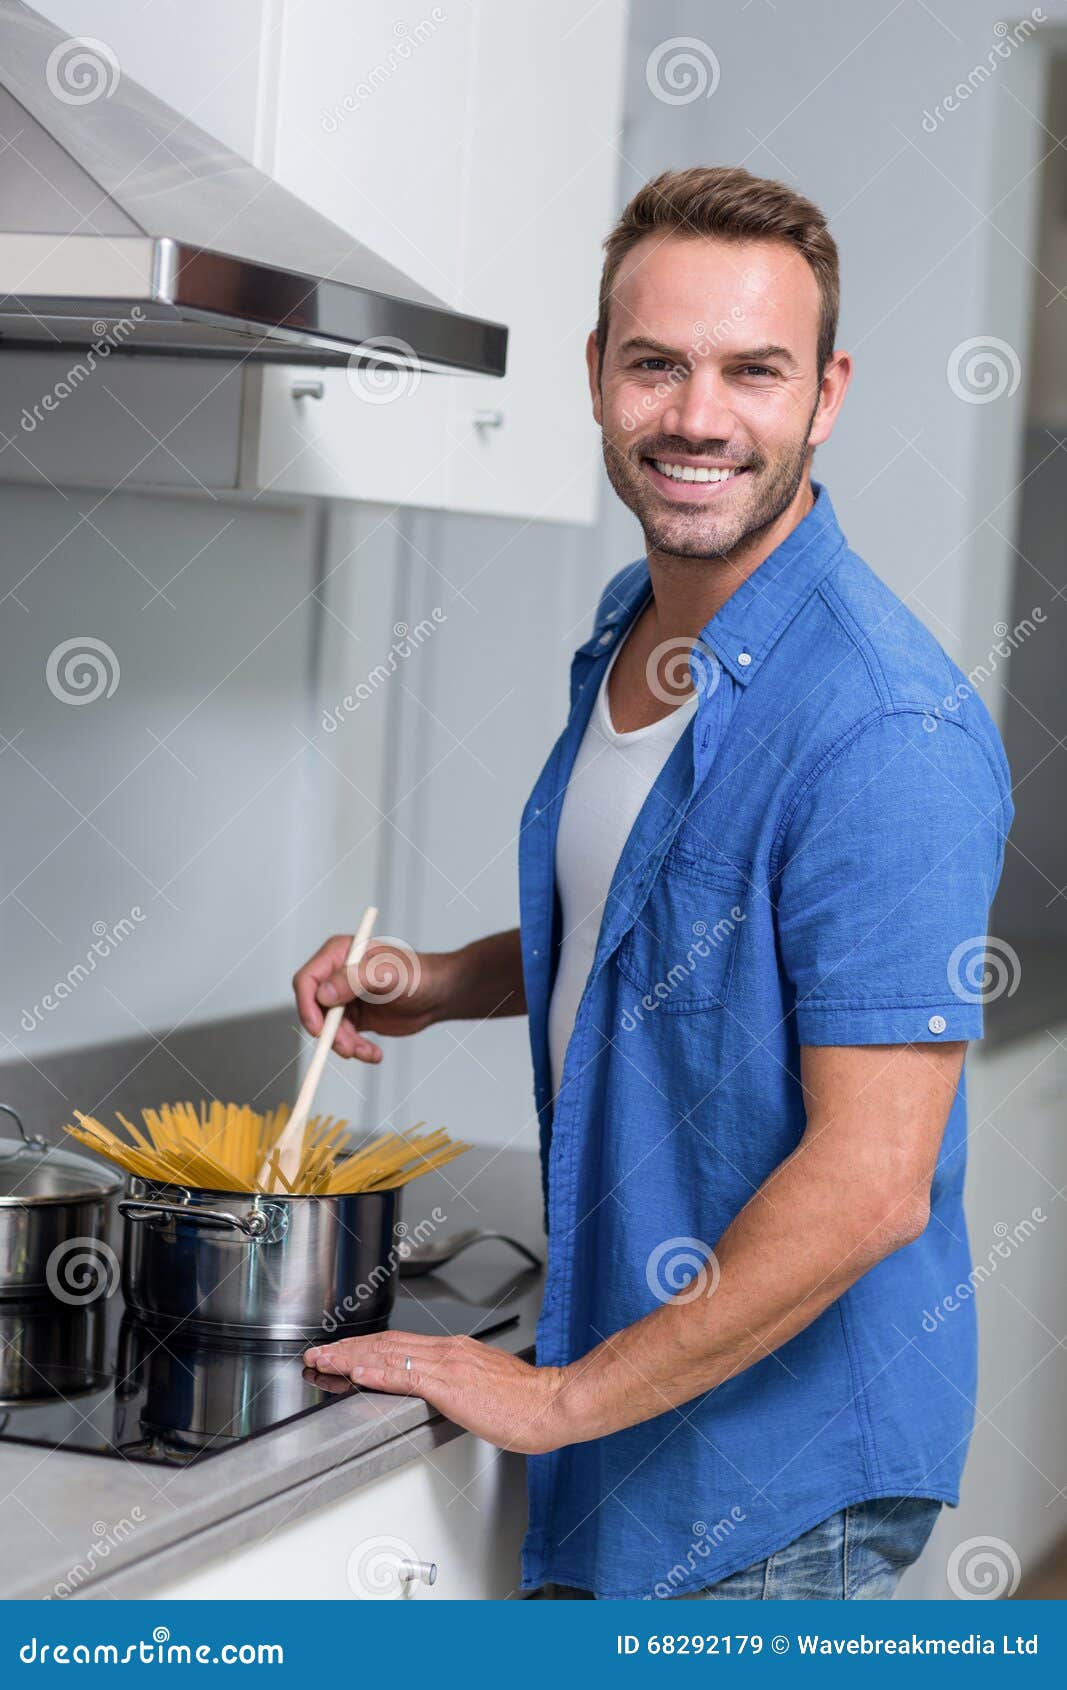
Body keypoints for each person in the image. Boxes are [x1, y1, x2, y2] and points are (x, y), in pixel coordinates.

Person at [296, 166, 1013, 1600]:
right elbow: (660, 924)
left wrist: (559, 1398)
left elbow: (871, 1185)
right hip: (640, 1387)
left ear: (826, 395)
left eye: (754, 370)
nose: (697, 416)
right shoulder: (641, 621)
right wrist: (440, 982)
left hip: (774, 1482)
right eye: (657, 364)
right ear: (597, 377)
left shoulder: (884, 729)